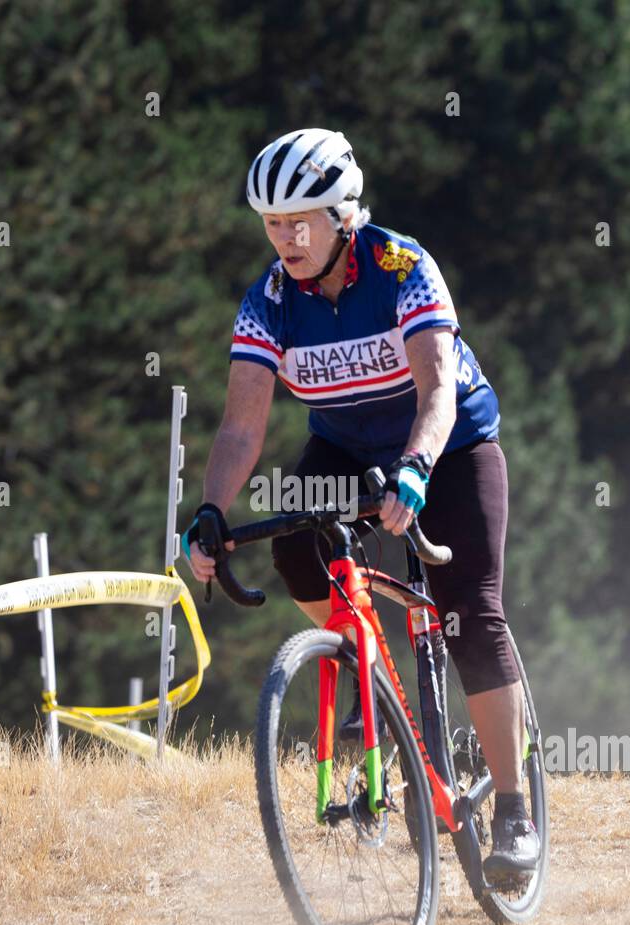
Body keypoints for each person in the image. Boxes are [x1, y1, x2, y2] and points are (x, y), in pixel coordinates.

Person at [182, 128, 538, 879]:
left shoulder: (403, 267)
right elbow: (242, 425)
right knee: (294, 547)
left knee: (471, 613)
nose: (284, 238)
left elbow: (438, 392)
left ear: (343, 214)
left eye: (298, 220)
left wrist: (415, 468)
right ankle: (366, 660)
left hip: (449, 443)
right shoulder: (269, 301)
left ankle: (514, 811)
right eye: (272, 223)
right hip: (347, 450)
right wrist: (211, 510)